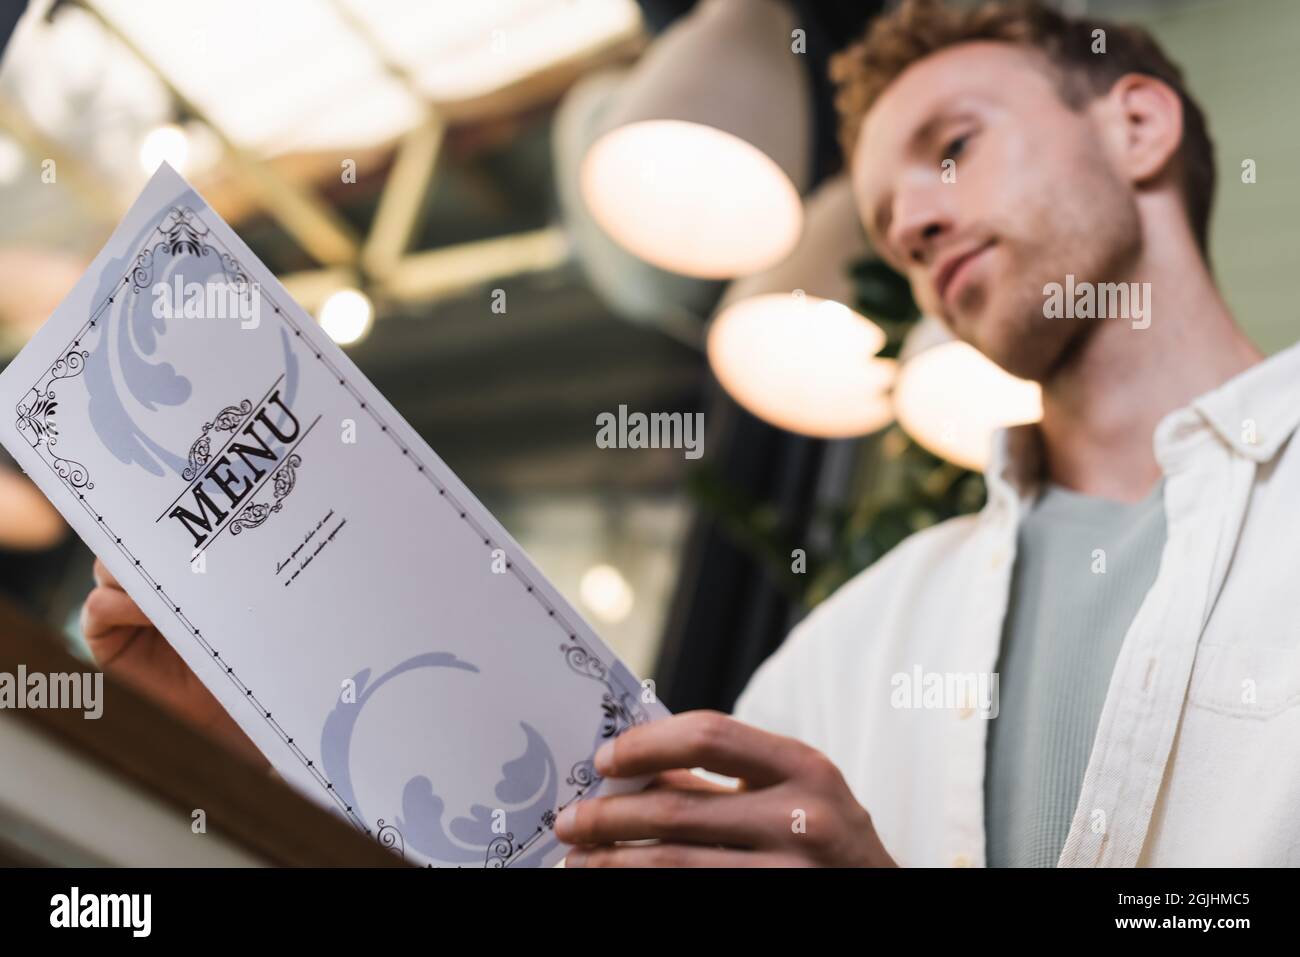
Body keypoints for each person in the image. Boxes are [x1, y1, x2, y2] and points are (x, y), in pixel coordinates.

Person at [83, 0, 1299, 867]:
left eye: (953, 148)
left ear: (1137, 126)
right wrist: (273, 746)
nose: (917, 226)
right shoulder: (852, 648)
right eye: (885, 222)